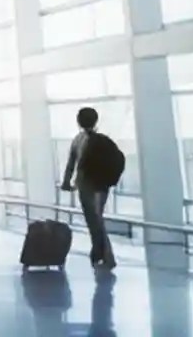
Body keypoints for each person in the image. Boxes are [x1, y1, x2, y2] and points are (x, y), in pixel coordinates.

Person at [61, 107, 116, 269]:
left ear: (78, 121)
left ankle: (105, 255)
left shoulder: (78, 140)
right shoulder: (103, 140)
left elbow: (71, 164)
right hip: (103, 186)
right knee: (97, 218)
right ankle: (99, 253)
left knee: (94, 221)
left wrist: (66, 183)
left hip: (86, 186)